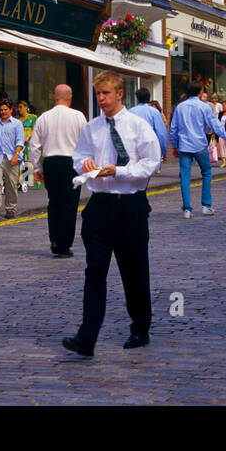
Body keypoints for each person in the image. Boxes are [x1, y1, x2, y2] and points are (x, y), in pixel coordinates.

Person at [62, 70, 161, 357]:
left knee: (134, 272)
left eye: (106, 93)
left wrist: (118, 170)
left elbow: (151, 164)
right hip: (100, 206)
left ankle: (140, 328)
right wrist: (84, 164)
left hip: (130, 206)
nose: (101, 99)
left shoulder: (138, 127)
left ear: (120, 93)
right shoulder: (91, 127)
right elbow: (78, 157)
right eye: (97, 94)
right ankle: (86, 337)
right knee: (94, 272)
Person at [30, 85, 88, 257]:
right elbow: (86, 142)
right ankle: (65, 244)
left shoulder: (44, 117)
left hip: (51, 163)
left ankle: (54, 240)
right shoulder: (78, 116)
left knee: (54, 203)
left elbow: (34, 146)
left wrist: (37, 168)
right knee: (69, 205)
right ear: (70, 98)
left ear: (54, 98)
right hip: (71, 163)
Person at [170, 81, 226, 218]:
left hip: (184, 146)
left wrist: (174, 145)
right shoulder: (204, 107)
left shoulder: (180, 107)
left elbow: (173, 128)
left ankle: (187, 209)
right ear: (200, 92)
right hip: (199, 145)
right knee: (206, 173)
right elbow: (216, 126)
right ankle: (206, 206)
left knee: (185, 176)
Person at [130, 87, 171, 171]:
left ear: (137, 98)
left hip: (134, 148)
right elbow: (161, 133)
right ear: (149, 98)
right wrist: (163, 150)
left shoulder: (130, 111)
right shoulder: (154, 112)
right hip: (150, 147)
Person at [17, 100, 38, 192]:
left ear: (26, 107)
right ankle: (20, 182)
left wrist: (29, 136)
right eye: (18, 107)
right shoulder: (17, 120)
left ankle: (25, 182)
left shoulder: (33, 117)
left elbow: (36, 128)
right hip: (20, 142)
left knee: (28, 161)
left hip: (29, 142)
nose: (19, 109)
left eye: (21, 107)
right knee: (20, 161)